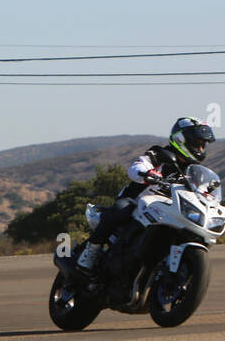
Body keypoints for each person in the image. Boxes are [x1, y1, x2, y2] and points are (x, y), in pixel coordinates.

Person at [74, 116, 216, 274]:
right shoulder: (160, 154)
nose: (200, 149)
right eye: (197, 143)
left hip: (167, 211)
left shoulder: (194, 171)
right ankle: (91, 251)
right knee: (122, 208)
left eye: (203, 145)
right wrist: (146, 172)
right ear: (181, 139)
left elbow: (201, 192)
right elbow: (137, 165)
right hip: (138, 202)